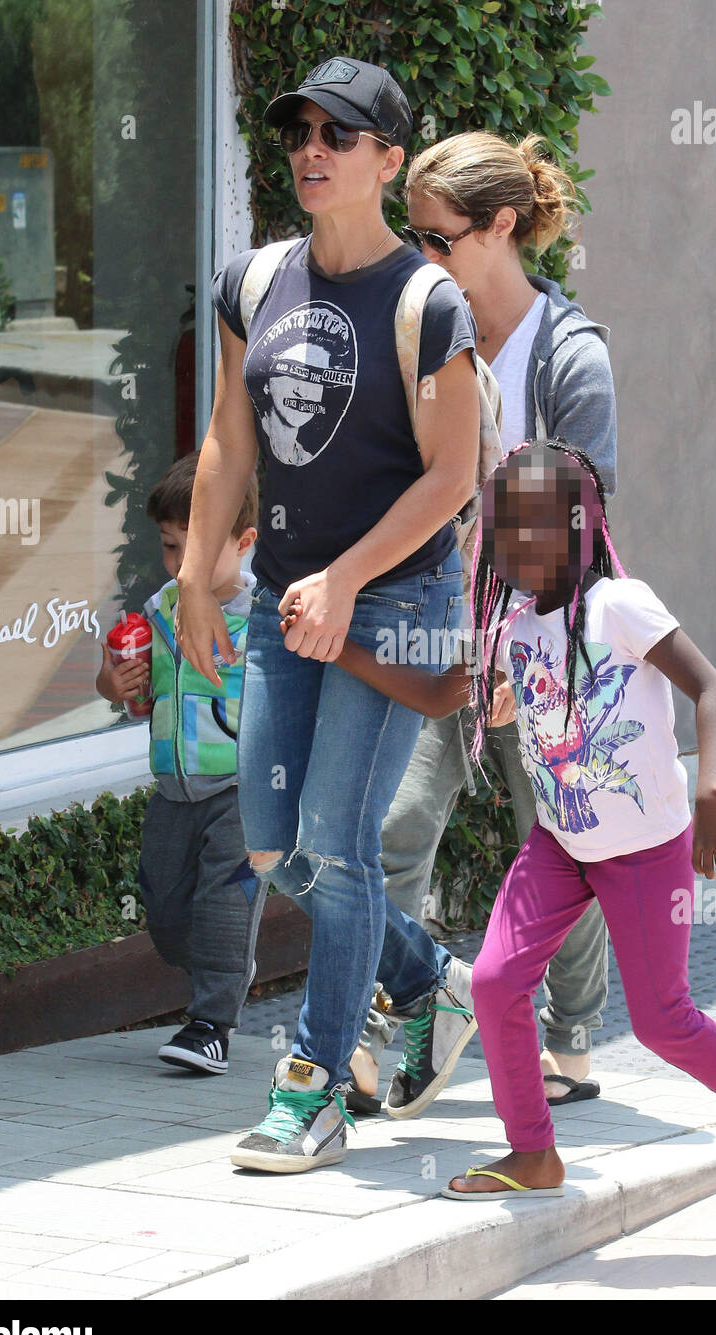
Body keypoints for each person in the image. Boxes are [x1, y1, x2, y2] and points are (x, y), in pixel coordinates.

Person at [311, 438, 716, 1221]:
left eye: (536, 527)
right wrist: (342, 648)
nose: (518, 547)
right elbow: (435, 696)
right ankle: (534, 1151)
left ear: (579, 522)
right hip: (560, 845)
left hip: (644, 851)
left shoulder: (620, 606)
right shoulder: (514, 631)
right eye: (504, 531)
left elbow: (714, 691)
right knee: (492, 982)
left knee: (664, 1022)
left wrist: (714, 796)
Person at [173, 56, 481, 1173]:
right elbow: (227, 439)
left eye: (340, 135)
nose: (313, 149)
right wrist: (203, 571)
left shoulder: (426, 303)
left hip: (394, 606)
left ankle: (316, 1085)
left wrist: (348, 577)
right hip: (284, 602)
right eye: (302, 130)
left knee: (339, 852)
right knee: (272, 848)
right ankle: (426, 978)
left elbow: (452, 478)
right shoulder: (253, 283)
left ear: (389, 162)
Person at [350, 131, 617, 1117]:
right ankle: (407, 1012)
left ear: (502, 226)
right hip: (436, 636)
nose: (421, 260)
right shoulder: (422, 337)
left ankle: (572, 1036)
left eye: (439, 240)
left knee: (560, 835)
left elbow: (585, 513)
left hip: (543, 639)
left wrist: (521, 643)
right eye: (410, 237)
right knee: (389, 829)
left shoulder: (568, 352)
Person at [95, 451, 266, 1073]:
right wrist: (115, 685)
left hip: (240, 789)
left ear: (244, 541)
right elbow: (131, 691)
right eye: (170, 548)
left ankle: (211, 1022)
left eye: (192, 551)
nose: (178, 566)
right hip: (173, 789)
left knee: (226, 898)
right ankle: (215, 976)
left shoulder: (265, 618)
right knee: (166, 912)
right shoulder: (160, 609)